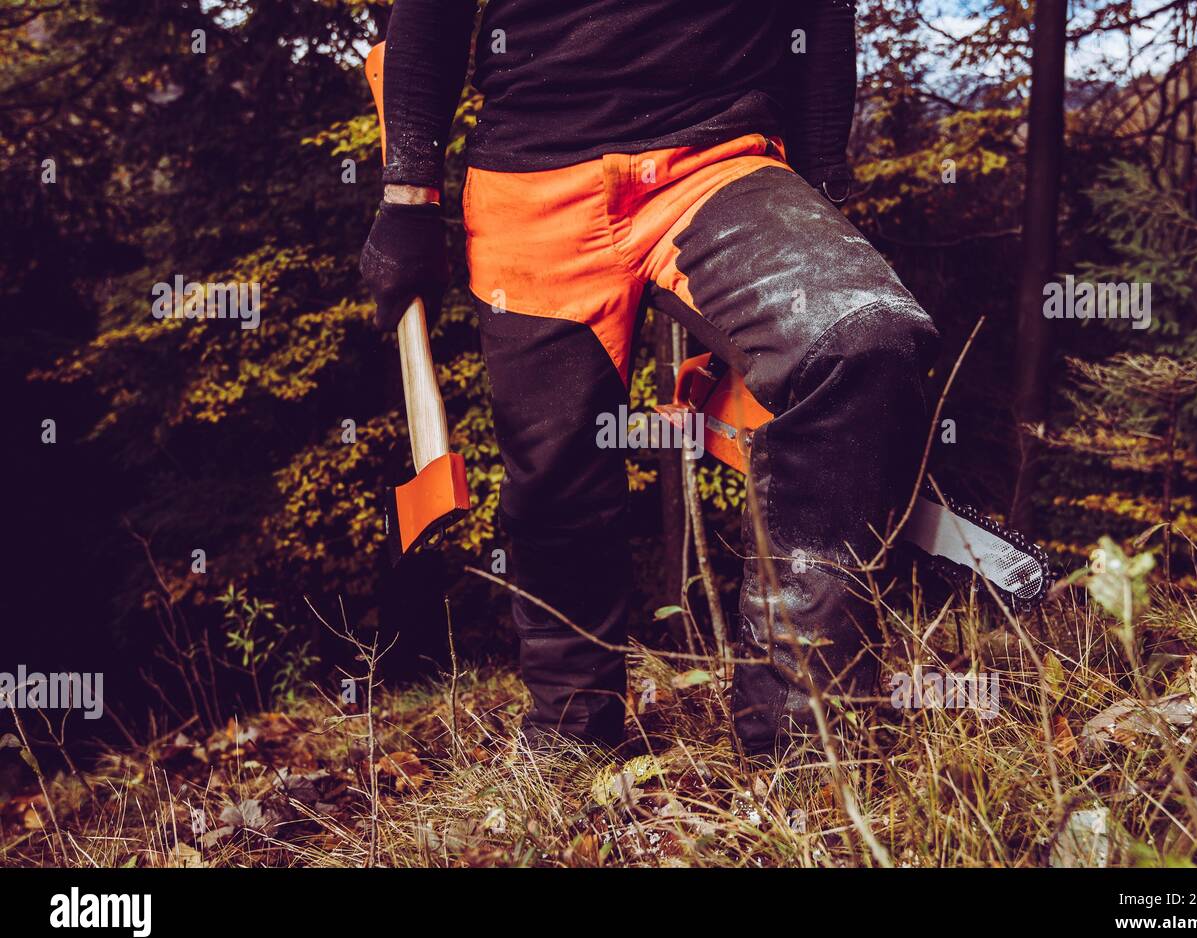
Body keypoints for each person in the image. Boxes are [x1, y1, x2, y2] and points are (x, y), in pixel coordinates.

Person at [360, 0, 940, 758]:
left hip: (718, 162)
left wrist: (824, 180)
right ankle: (571, 733)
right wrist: (409, 197)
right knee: (552, 481)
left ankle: (806, 736)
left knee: (861, 340)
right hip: (529, 184)